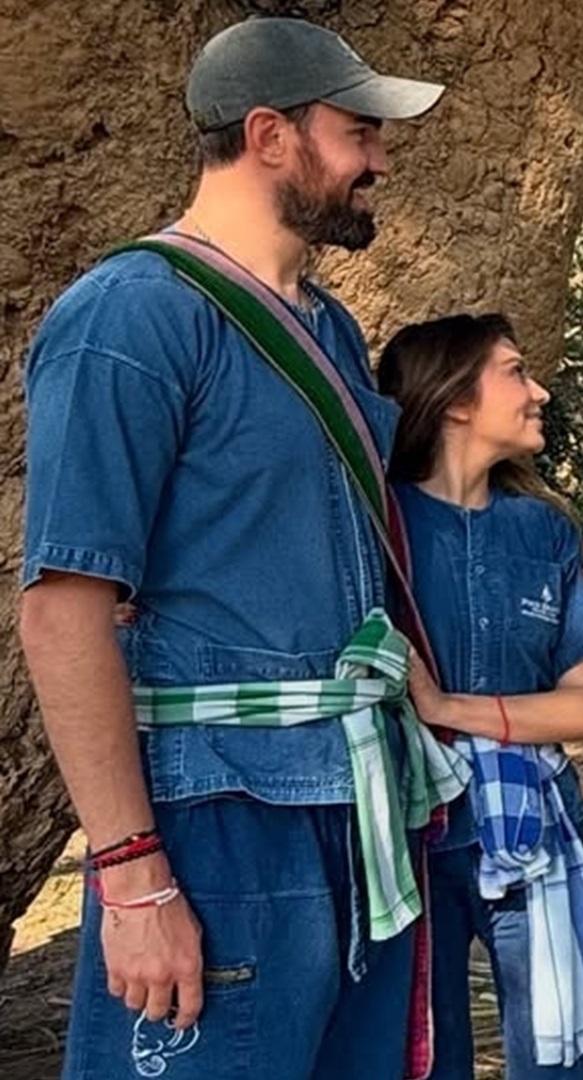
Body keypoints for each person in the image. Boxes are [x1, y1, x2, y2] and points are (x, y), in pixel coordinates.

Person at [18, 16, 463, 1080]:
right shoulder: (128, 319)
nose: (380, 161)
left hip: (347, 807)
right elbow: (63, 607)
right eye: (359, 132)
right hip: (217, 825)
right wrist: (131, 879)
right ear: (271, 135)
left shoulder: (331, 330)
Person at [377, 313, 583, 1079]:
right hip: (408, 840)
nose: (539, 390)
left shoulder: (545, 533)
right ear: (454, 398)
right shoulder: (377, 528)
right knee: (422, 1055)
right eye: (516, 372)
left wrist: (452, 709)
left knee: (561, 1057)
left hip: (533, 834)